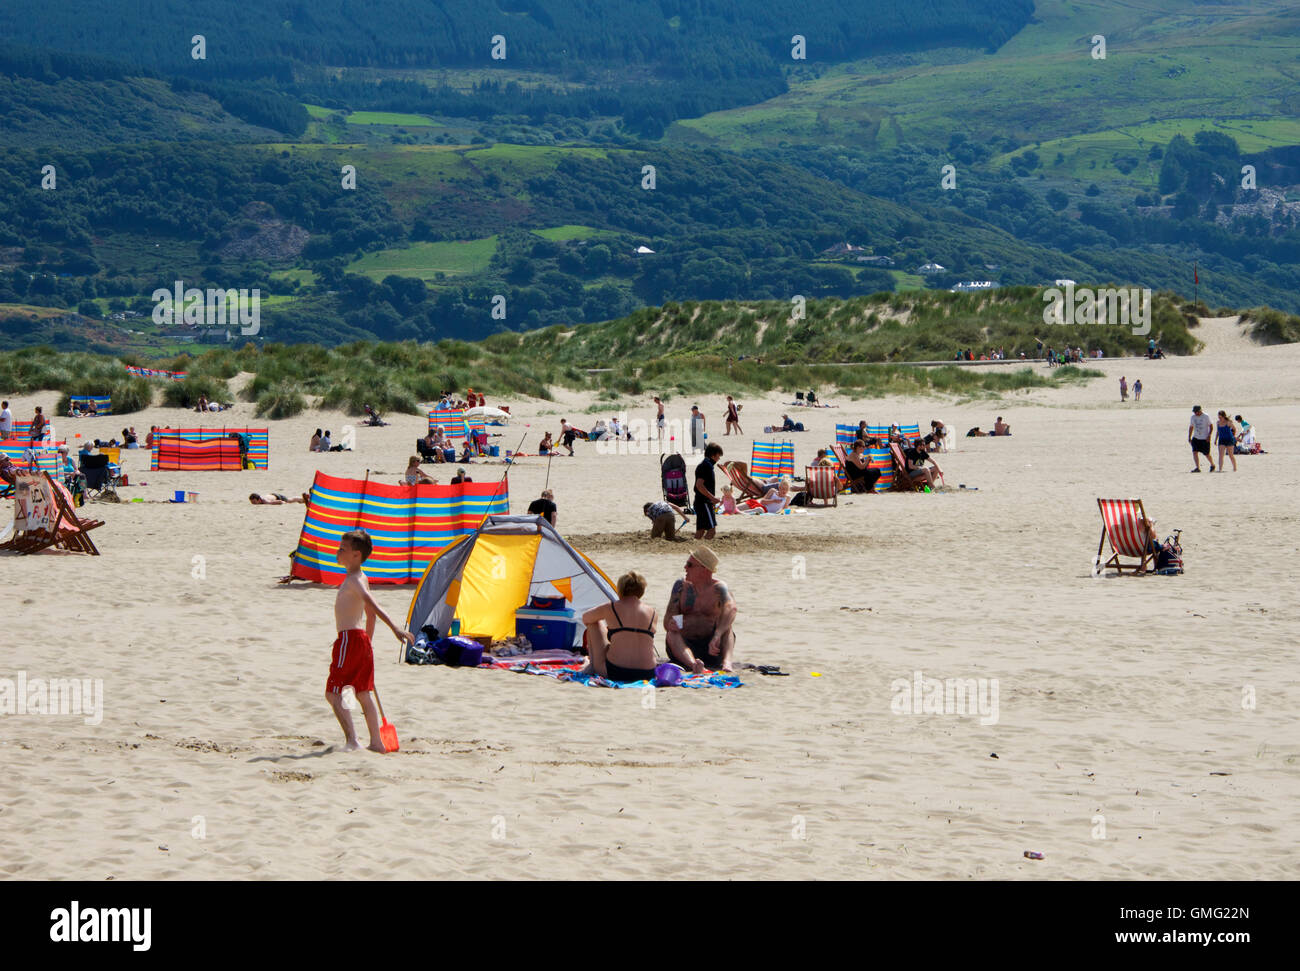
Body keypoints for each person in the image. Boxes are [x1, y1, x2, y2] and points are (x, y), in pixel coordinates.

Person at [325, 530, 414, 752]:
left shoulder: (355, 581)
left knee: (333, 693)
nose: (338, 551)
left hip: (349, 639)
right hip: (360, 641)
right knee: (363, 692)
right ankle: (376, 742)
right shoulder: (361, 578)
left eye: (342, 549)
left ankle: (353, 741)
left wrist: (394, 627)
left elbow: (372, 605)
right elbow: (370, 615)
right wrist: (367, 645)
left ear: (356, 555)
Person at [665, 546, 736, 673]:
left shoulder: (718, 588)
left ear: (704, 569)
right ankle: (694, 665)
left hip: (712, 647)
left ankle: (727, 662)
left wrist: (717, 634)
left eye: (690, 565)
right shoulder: (680, 586)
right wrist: (671, 623)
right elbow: (667, 620)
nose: (685, 568)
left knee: (728, 628)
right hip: (685, 646)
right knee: (671, 634)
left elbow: (731, 608)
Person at [582, 571, 659, 683]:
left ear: (621, 588)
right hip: (647, 672)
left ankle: (592, 665)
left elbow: (585, 618)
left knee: (593, 623)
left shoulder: (611, 607)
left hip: (617, 671)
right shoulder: (653, 612)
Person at [693, 443, 722, 540]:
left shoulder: (704, 465)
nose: (719, 459)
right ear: (713, 455)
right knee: (711, 530)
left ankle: (694, 548)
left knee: (700, 530)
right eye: (718, 456)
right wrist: (712, 498)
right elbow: (699, 485)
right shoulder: (706, 466)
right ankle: (703, 552)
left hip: (700, 502)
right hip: (704, 502)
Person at [1188, 405, 1214, 472]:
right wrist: (1189, 436)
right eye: (1194, 412)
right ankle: (1197, 467)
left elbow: (1211, 426)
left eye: (1196, 412)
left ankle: (1212, 464)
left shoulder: (1206, 416)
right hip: (1196, 438)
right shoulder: (1193, 417)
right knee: (1195, 452)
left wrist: (1209, 435)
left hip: (1204, 438)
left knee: (1207, 454)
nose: (1195, 413)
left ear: (1200, 411)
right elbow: (1191, 427)